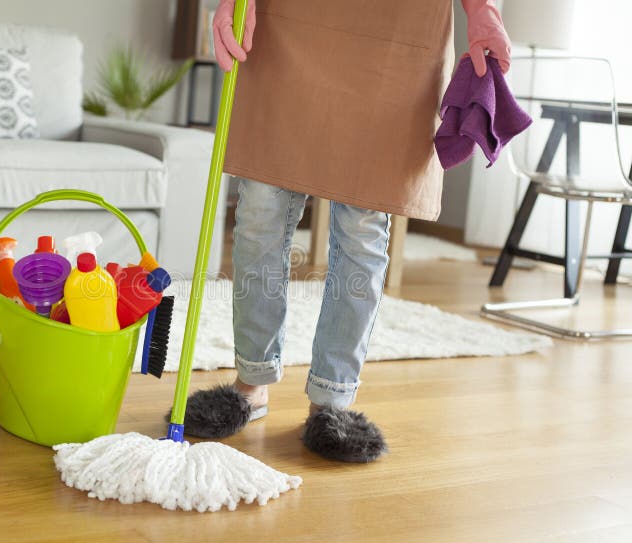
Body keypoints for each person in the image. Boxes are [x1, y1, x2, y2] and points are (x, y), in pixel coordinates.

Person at [178, 0, 512, 462]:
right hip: (289, 24)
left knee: (363, 225)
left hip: (397, 33)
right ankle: (251, 382)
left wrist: (484, 11)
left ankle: (332, 399)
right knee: (259, 212)